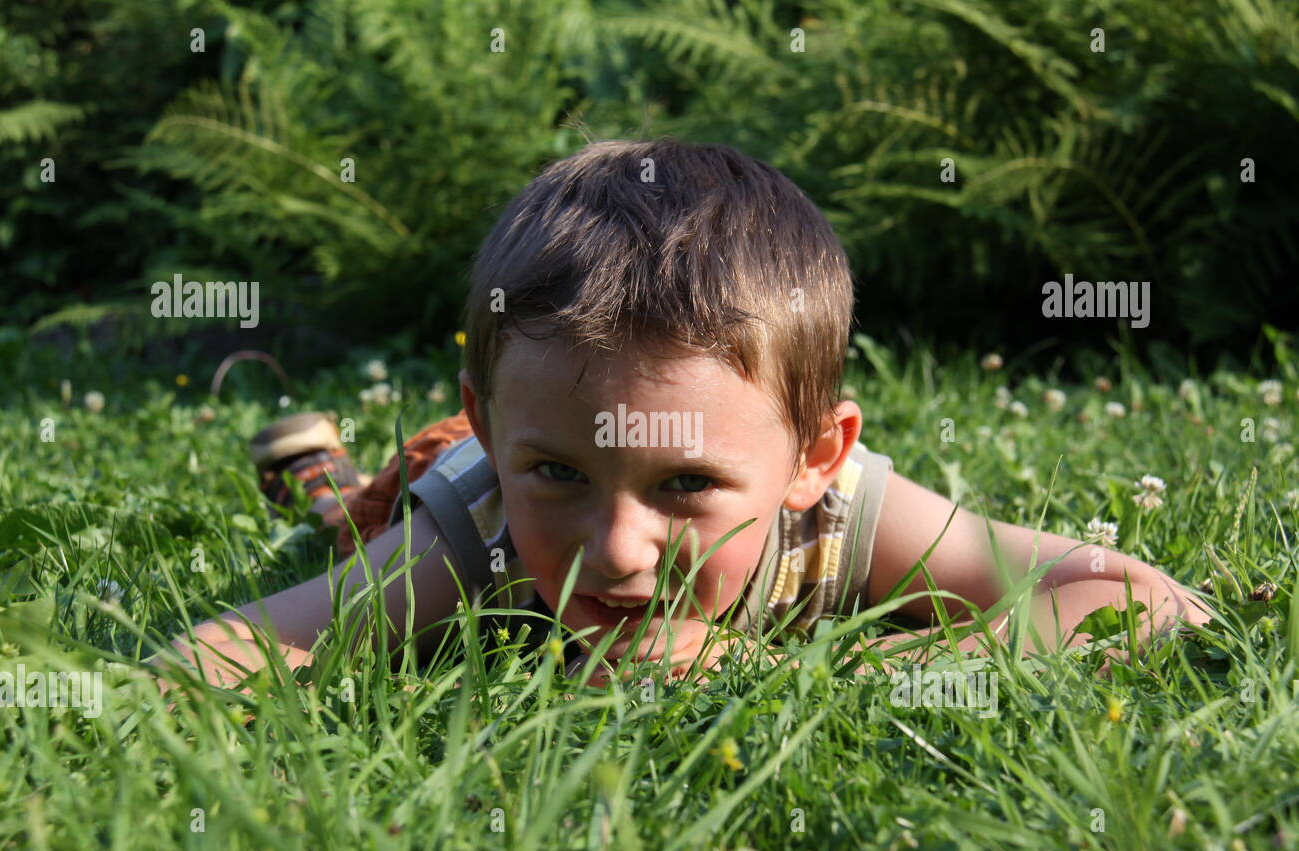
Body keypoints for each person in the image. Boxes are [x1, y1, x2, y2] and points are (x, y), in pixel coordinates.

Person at [158, 138, 1210, 695]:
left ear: (812, 454)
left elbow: (1136, 598)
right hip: (442, 481)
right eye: (562, 475)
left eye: (687, 485)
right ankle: (322, 472)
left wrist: (803, 669)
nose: (617, 551)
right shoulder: (478, 524)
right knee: (363, 519)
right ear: (493, 428)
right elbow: (223, 648)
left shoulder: (839, 517)